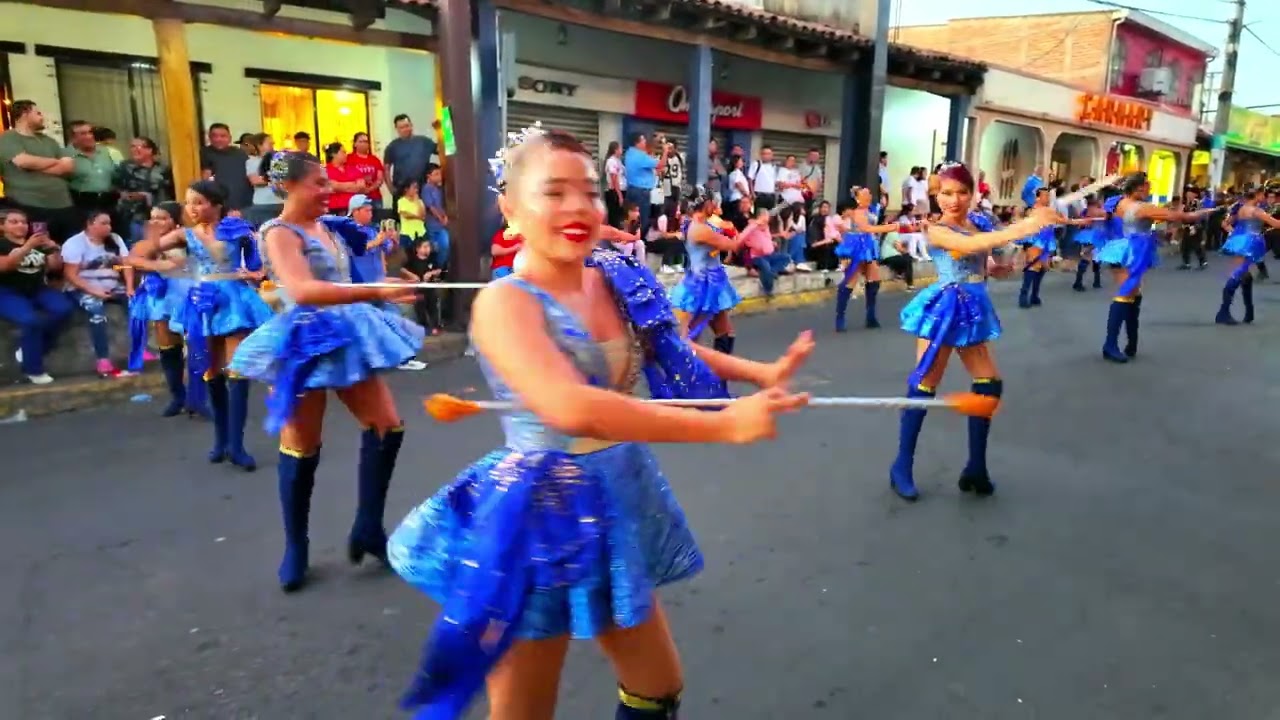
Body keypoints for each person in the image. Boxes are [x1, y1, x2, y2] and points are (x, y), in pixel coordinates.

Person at [385, 124, 811, 720]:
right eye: (553, 192)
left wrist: (759, 371)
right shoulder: (505, 303)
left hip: (617, 492)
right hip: (537, 512)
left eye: (588, 191)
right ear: (510, 208)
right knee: (524, 709)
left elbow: (669, 348)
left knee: (657, 685)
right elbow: (571, 406)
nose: (578, 207)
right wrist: (723, 426)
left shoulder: (612, 275)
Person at [226, 151, 424, 593]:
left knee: (387, 427)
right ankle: (296, 547)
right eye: (319, 183)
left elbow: (346, 280)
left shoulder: (328, 226)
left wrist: (383, 287)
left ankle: (369, 527)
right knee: (301, 443)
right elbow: (302, 289)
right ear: (289, 186)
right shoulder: (278, 232)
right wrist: (374, 289)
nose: (329, 190)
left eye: (328, 182)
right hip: (305, 341)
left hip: (349, 332)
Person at [888, 162, 1056, 502]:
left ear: (973, 193)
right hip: (946, 308)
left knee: (989, 384)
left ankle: (975, 468)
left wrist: (997, 267)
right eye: (946, 193)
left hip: (974, 306)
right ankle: (901, 466)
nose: (954, 200)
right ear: (936, 195)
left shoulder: (979, 220)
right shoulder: (937, 230)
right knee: (925, 385)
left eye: (962, 192)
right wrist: (1027, 225)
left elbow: (983, 255)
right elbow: (971, 246)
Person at [127, 180, 274, 470]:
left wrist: (254, 272)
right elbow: (139, 253)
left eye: (198, 202)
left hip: (234, 300)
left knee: (238, 372)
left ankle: (237, 444)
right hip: (203, 300)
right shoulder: (184, 234)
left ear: (216, 204)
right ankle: (220, 441)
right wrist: (161, 265)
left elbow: (260, 266)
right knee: (211, 372)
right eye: (188, 202)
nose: (192, 208)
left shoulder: (237, 228)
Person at [1095, 172, 1212, 362]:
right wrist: (1205, 212)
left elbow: (1109, 219)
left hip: (1119, 248)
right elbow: (1183, 216)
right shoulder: (1142, 207)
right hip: (1133, 251)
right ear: (1140, 188)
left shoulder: (1117, 202)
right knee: (1125, 295)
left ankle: (1131, 343)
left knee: (1133, 295)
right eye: (1148, 187)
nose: (1150, 190)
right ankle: (1110, 345)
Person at [126, 201, 206, 417]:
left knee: (197, 347)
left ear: (175, 219)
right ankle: (178, 397)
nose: (156, 222)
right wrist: (161, 265)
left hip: (188, 294)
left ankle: (198, 399)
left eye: (162, 218)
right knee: (169, 348)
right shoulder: (147, 242)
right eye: (153, 218)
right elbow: (130, 261)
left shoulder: (188, 236)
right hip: (161, 297)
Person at [0, 207, 72, 384]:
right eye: (14, 222)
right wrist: (26, 247)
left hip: (37, 289)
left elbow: (54, 267)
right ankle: (33, 370)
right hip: (8, 291)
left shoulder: (37, 243)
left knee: (64, 309)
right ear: (2, 226)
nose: (21, 225)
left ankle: (30, 350)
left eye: (24, 222)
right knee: (30, 320)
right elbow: (5, 266)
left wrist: (53, 248)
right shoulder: (3, 244)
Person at [669, 185, 743, 352]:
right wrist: (754, 226)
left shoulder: (696, 224)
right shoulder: (700, 229)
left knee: (724, 332)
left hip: (710, 281)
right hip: (702, 286)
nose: (715, 206)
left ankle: (718, 375)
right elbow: (734, 245)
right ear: (706, 203)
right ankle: (687, 372)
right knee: (691, 335)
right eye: (713, 202)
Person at [61, 210, 133, 377]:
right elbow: (70, 275)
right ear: (90, 224)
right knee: (96, 311)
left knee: (136, 305)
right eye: (103, 223)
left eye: (109, 223)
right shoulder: (75, 243)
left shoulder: (115, 239)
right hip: (82, 287)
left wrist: (129, 287)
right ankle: (103, 359)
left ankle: (138, 350)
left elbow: (124, 265)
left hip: (112, 285)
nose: (108, 227)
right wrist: (94, 291)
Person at [833, 188, 897, 332]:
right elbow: (866, 228)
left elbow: (883, 204)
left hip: (869, 245)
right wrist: (892, 227)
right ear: (857, 198)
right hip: (858, 246)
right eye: (864, 195)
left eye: (869, 194)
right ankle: (840, 317)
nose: (868, 197)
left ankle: (871, 316)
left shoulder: (871, 210)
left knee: (873, 280)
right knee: (851, 281)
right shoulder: (856, 212)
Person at [1217, 187, 1280, 325]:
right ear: (1257, 195)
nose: (1264, 197)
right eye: (1263, 194)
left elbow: (1225, 223)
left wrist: (1234, 234)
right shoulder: (1257, 211)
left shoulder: (1241, 209)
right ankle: (1223, 312)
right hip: (1250, 242)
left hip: (1240, 240)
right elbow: (1276, 224)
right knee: (1238, 273)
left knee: (1245, 275)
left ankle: (1249, 312)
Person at [401, 236, 443, 333]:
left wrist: (431, 273)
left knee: (433, 304)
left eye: (428, 246)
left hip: (430, 288)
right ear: (417, 249)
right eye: (424, 246)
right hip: (418, 289)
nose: (427, 249)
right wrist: (412, 275)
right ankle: (424, 327)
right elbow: (403, 269)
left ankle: (435, 326)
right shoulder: (412, 260)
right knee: (420, 306)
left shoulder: (432, 259)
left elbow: (439, 270)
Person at [1070, 196, 1107, 292]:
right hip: (1094, 237)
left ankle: (1095, 281)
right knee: (1091, 258)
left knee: (1092, 258)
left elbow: (1081, 225)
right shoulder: (1098, 212)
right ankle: (1080, 282)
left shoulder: (1086, 211)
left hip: (1089, 236)